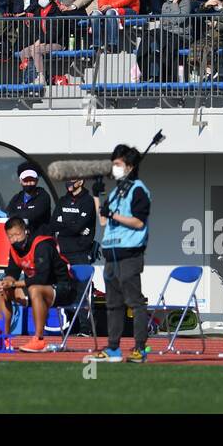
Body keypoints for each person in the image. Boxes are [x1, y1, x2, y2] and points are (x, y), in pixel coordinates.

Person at [87, 144, 150, 363]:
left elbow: (138, 221)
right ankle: (113, 347)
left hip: (130, 254)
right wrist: (97, 197)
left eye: (118, 164)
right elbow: (104, 220)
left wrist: (113, 214)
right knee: (113, 304)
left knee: (135, 302)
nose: (114, 168)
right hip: (111, 254)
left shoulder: (138, 190)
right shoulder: (115, 192)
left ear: (130, 167)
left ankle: (140, 348)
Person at [0, 215, 80, 353]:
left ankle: (38, 339)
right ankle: (4, 338)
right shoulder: (14, 250)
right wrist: (6, 282)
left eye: (17, 234)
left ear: (26, 231)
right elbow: (11, 272)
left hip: (63, 288)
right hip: (37, 288)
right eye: (10, 236)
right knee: (2, 291)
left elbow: (42, 278)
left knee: (35, 289)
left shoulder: (42, 245)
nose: (14, 239)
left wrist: (15, 283)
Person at [53, 175, 99, 265]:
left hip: (80, 252)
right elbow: (53, 225)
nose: (69, 182)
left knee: (81, 278)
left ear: (81, 182)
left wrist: (63, 224)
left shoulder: (88, 201)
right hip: (62, 250)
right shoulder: (62, 200)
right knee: (62, 279)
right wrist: (74, 226)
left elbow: (77, 227)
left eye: (72, 180)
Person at [5, 162, 52, 232]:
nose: (29, 183)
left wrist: (10, 216)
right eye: (25, 180)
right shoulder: (17, 198)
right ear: (20, 181)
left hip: (39, 237)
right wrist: (4, 216)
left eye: (32, 180)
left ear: (37, 180)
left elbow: (31, 214)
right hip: (20, 236)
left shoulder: (43, 196)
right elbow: (8, 212)